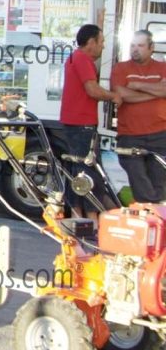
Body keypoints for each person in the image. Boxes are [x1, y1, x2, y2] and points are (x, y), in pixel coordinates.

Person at [60, 24, 122, 218]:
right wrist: (114, 96)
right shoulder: (83, 59)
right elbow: (92, 90)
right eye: (101, 42)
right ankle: (92, 218)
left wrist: (101, 19)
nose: (103, 46)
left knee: (76, 169)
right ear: (91, 43)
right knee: (89, 171)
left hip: (72, 122)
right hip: (82, 124)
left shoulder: (74, 57)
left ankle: (77, 216)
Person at [111, 30, 166, 202]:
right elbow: (122, 94)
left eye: (140, 46)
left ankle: (155, 221)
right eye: (133, 45)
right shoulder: (121, 68)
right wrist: (156, 91)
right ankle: (150, 214)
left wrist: (136, 85)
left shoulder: (162, 67)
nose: (135, 49)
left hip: (160, 134)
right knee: (139, 179)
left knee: (159, 181)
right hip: (130, 136)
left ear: (151, 48)